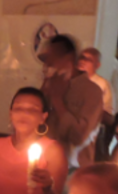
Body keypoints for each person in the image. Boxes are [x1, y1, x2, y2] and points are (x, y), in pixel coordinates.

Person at [41, 34, 103, 168]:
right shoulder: (49, 85)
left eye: (53, 58)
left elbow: (78, 137)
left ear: (69, 59)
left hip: (73, 168)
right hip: (44, 161)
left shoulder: (92, 91)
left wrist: (57, 100)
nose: (48, 64)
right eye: (46, 59)